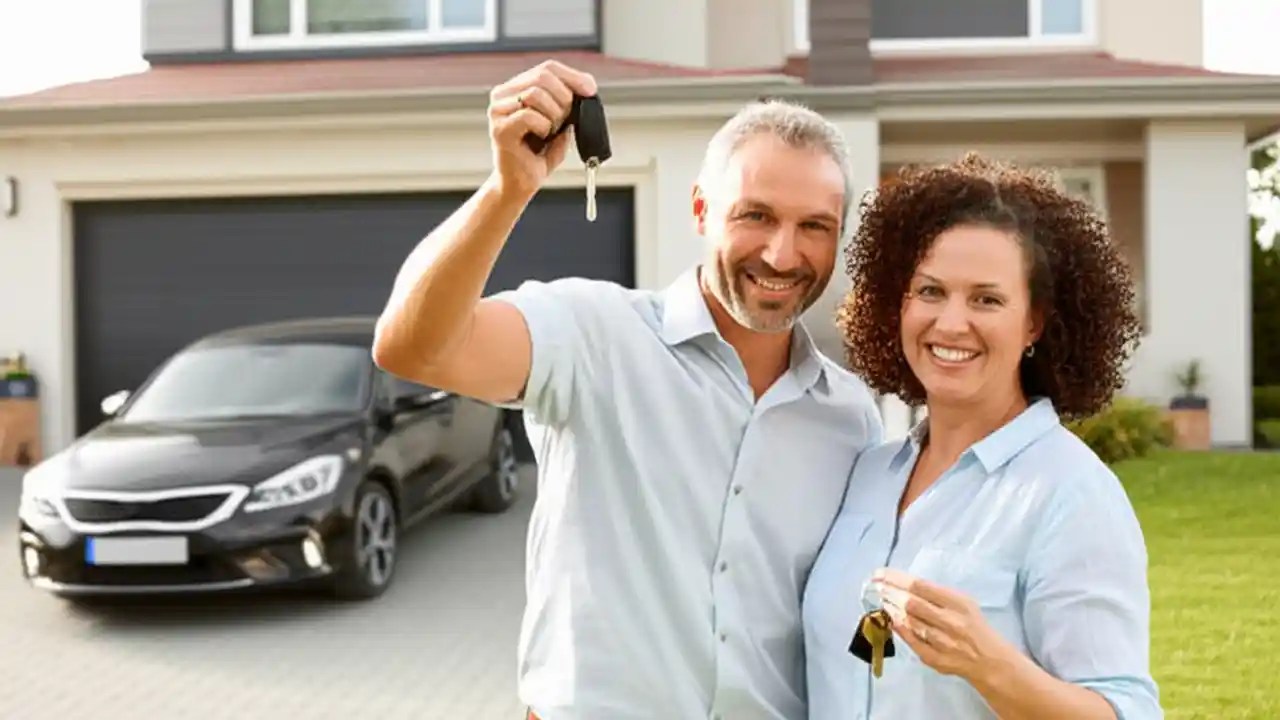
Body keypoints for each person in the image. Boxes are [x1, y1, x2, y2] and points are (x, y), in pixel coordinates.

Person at [371, 60, 882, 720]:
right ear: (701, 208)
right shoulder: (594, 335)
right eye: (756, 215)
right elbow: (412, 347)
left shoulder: (851, 417)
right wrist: (508, 190)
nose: (784, 255)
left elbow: (850, 616)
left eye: (814, 226)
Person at [801, 153, 1162, 719]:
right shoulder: (868, 473)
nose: (950, 323)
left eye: (986, 299)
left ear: (1034, 323)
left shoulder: (1070, 494)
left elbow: (1126, 711)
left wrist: (990, 665)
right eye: (930, 291)